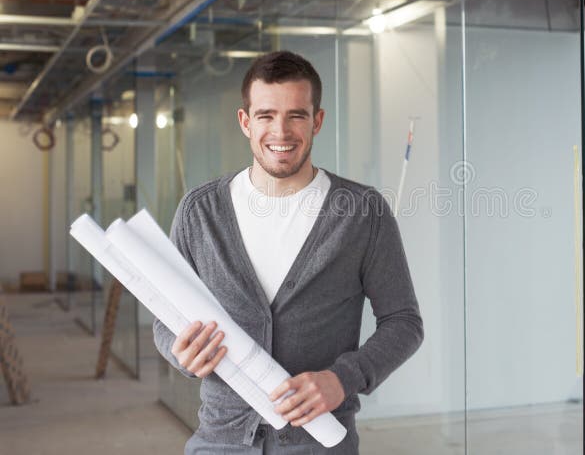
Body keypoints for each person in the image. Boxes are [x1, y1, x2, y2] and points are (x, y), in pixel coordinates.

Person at [153, 51, 424, 454]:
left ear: (317, 121)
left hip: (318, 442)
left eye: (296, 115)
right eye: (265, 115)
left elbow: (404, 323)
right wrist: (180, 352)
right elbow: (165, 318)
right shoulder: (201, 211)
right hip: (220, 442)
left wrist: (343, 378)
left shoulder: (363, 213)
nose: (280, 131)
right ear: (245, 122)